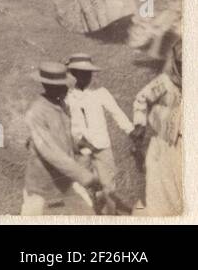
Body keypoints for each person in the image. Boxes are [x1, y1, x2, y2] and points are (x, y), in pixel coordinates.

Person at [20, 61, 99, 214]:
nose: (66, 88)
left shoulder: (61, 106)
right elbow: (51, 151)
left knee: (87, 213)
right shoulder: (36, 112)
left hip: (64, 181)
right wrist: (85, 176)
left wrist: (80, 144)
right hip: (41, 185)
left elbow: (64, 137)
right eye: (60, 86)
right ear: (48, 86)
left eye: (65, 84)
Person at [64, 54, 132, 202]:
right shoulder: (68, 97)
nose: (86, 77)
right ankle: (91, 210)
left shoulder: (100, 93)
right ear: (74, 74)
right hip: (81, 149)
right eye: (82, 73)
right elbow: (64, 122)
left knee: (109, 186)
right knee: (83, 186)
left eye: (88, 73)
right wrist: (76, 139)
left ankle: (108, 212)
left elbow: (117, 113)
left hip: (102, 147)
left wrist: (130, 130)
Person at [130, 40, 182, 216]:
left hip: (184, 145)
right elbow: (141, 99)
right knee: (160, 187)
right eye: (181, 64)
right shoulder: (165, 82)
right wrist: (140, 123)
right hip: (163, 145)